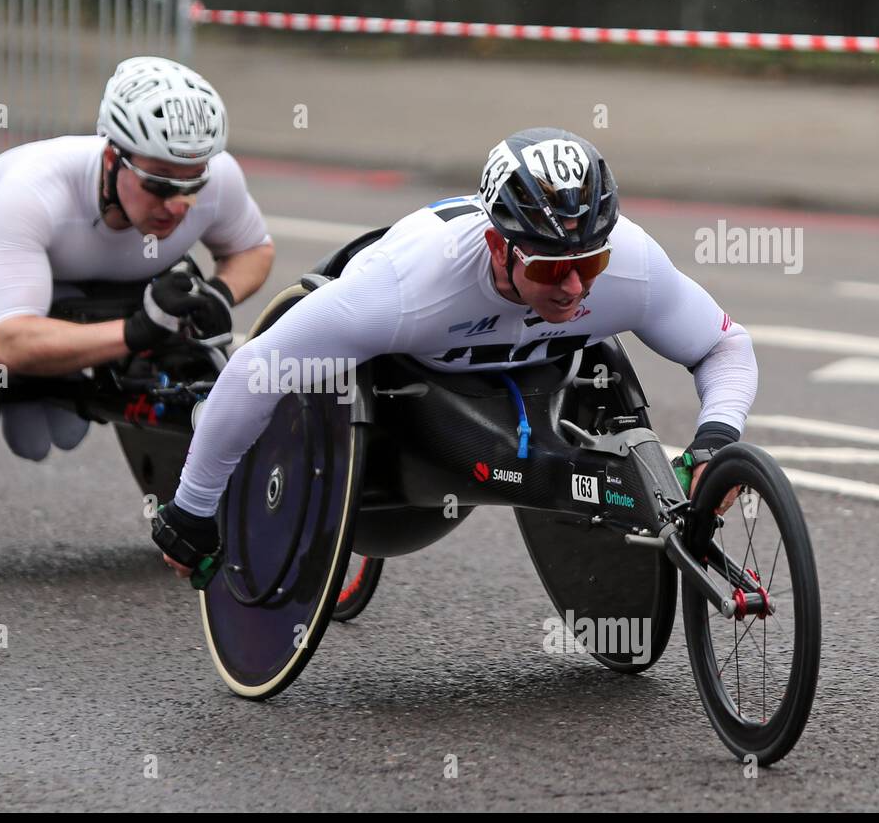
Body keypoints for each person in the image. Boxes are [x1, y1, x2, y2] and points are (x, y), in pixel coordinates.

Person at [151, 127, 754, 578]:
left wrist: (716, 440)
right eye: (552, 267)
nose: (574, 287)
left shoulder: (633, 264)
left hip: (535, 385)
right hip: (409, 400)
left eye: (590, 262)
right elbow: (257, 368)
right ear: (499, 247)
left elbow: (723, 345)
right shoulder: (400, 289)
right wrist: (193, 507)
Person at [0, 55, 275, 461]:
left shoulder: (222, 176)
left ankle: (73, 352)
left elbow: (254, 249)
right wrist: (136, 331)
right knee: (34, 440)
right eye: (159, 185)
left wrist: (217, 293)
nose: (179, 205)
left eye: (193, 183)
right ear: (112, 160)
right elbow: (7, 340)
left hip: (105, 287)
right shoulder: (33, 192)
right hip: (30, 282)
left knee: (62, 433)